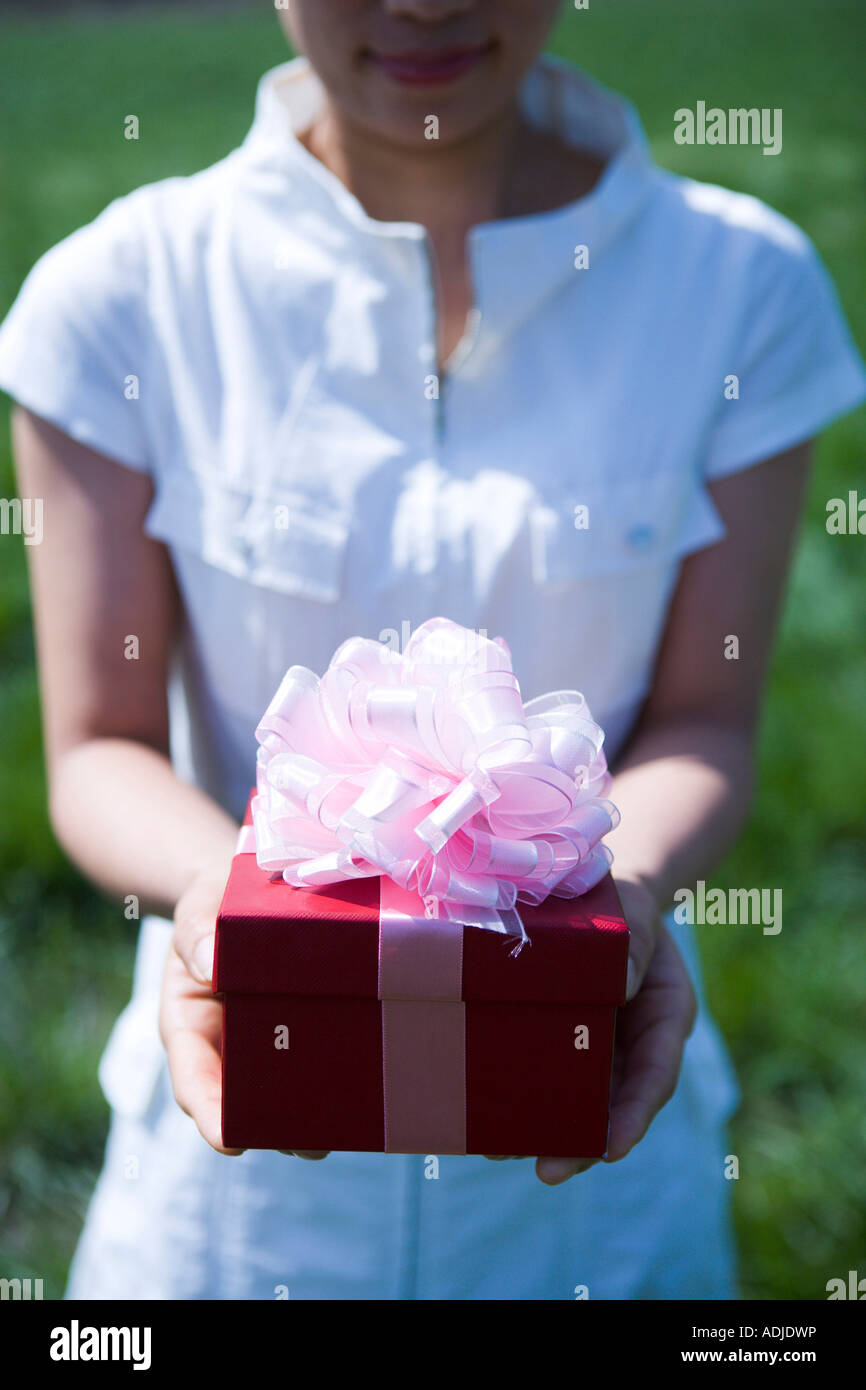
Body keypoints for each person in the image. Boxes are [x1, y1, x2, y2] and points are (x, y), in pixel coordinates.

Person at [1, 0, 864, 1301]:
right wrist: (231, 912)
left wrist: (607, 898)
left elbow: (705, 718)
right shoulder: (116, 294)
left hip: (586, 1154)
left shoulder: (740, 285)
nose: (418, 3)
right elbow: (96, 744)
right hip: (235, 1184)